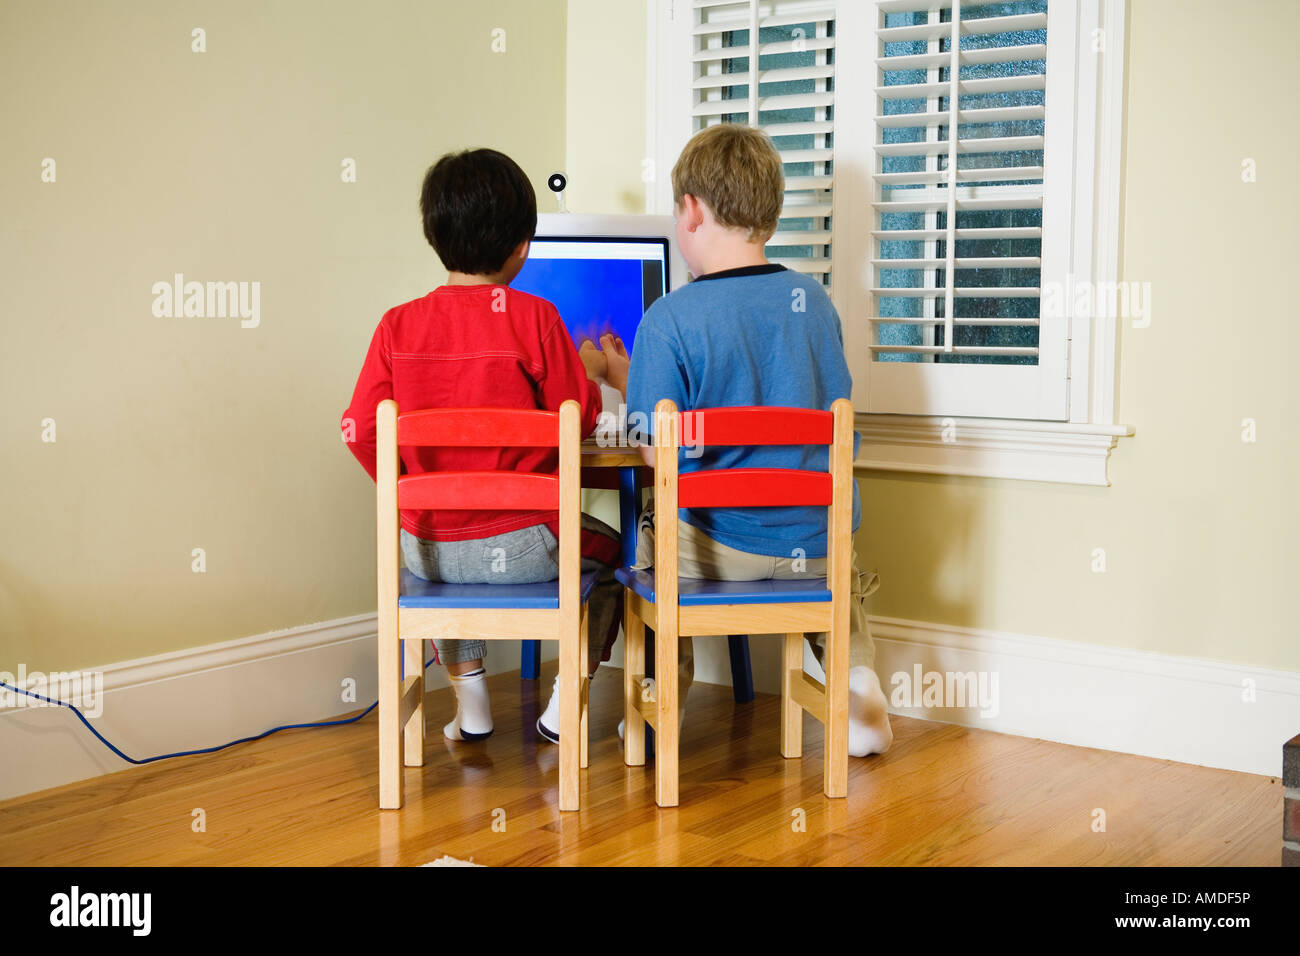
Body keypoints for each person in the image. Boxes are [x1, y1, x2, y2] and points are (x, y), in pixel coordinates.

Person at [603, 123, 893, 756]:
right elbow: (829, 413)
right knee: (838, 565)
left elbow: (659, 454)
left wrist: (628, 388)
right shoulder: (811, 302)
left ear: (691, 210)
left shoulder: (668, 319)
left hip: (715, 554)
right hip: (814, 547)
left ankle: (654, 714)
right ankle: (857, 682)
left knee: (651, 545)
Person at [341, 147, 622, 745]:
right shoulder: (537, 319)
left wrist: (411, 496)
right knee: (625, 558)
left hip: (426, 549)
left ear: (435, 236)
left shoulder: (397, 325)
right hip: (526, 547)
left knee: (449, 555)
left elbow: (361, 427)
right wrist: (593, 372)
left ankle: (471, 702)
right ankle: (562, 702)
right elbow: (581, 419)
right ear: (523, 245)